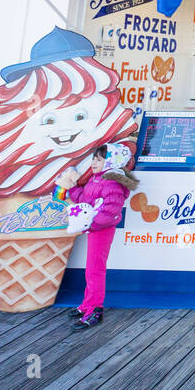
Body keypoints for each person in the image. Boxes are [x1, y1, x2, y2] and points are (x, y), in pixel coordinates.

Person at [54, 140, 139, 331]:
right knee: (91, 269)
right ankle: (86, 305)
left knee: (95, 269)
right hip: (94, 228)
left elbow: (111, 212)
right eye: (94, 158)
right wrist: (72, 187)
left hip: (101, 229)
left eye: (100, 159)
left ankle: (95, 310)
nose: (94, 162)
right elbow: (85, 199)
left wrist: (92, 224)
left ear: (112, 161)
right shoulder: (97, 179)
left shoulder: (113, 182)